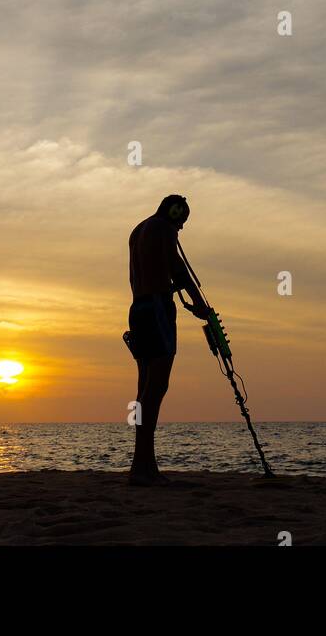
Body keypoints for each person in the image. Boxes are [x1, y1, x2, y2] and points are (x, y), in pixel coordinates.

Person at [127, 194, 208, 485]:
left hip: (137, 309)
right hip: (157, 310)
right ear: (174, 213)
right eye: (182, 221)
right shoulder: (163, 229)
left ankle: (141, 465)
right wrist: (200, 304)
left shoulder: (138, 230)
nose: (181, 229)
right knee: (157, 386)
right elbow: (178, 270)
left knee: (144, 387)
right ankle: (144, 467)